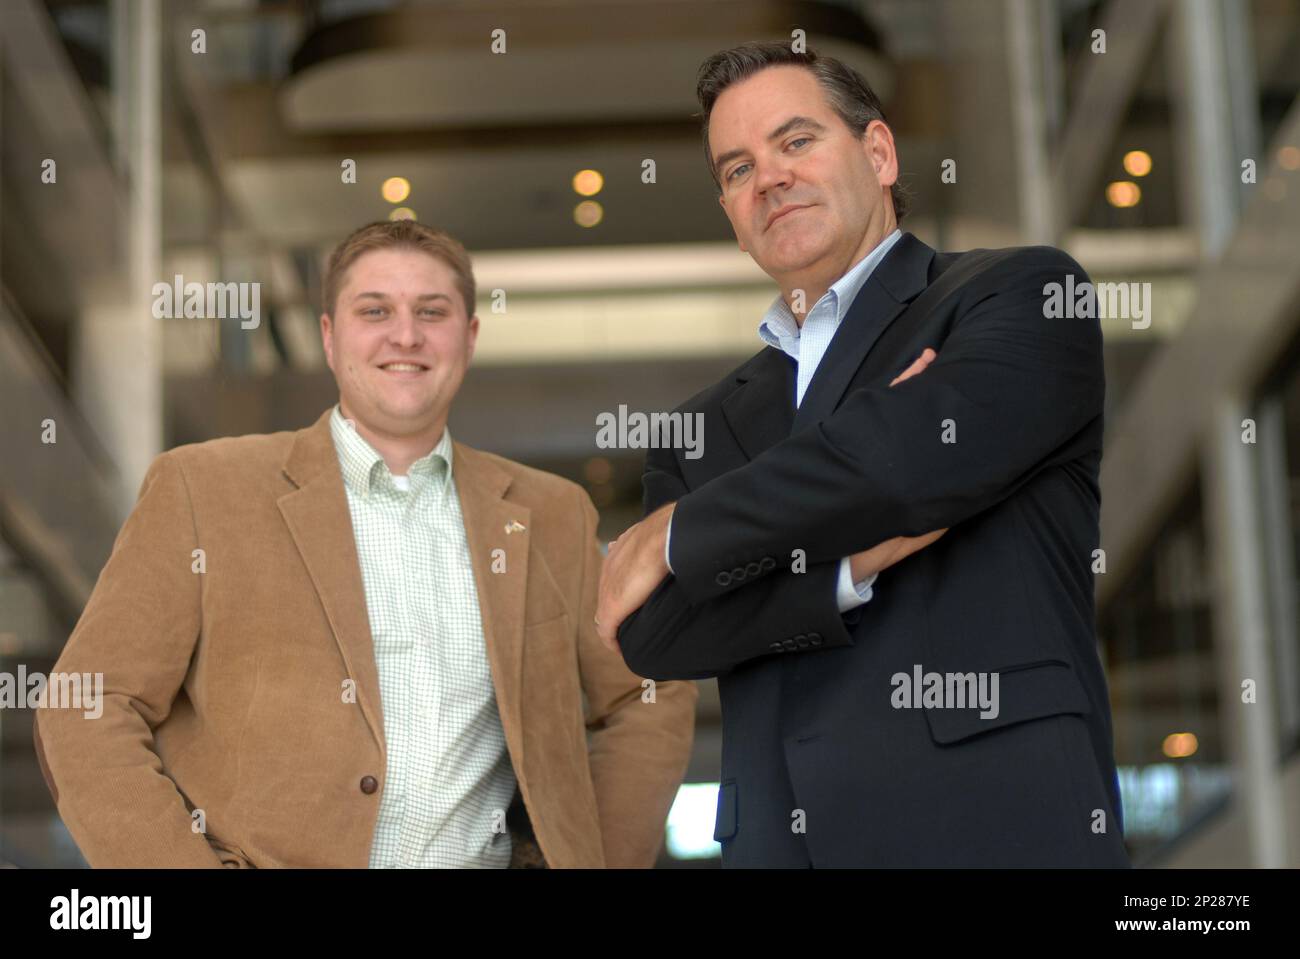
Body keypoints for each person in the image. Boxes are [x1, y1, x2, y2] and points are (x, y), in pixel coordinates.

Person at [597, 41, 1128, 868]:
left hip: (992, 825)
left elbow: (902, 461)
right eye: (736, 170)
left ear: (878, 153)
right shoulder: (699, 426)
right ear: (732, 218)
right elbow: (657, 631)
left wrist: (684, 532)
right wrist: (850, 564)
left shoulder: (1019, 294)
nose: (768, 177)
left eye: (796, 141)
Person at [35, 220, 696, 868]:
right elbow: (89, 703)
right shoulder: (203, 489)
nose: (404, 334)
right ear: (329, 336)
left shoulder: (550, 513)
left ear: (468, 338)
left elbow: (647, 691)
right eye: (374, 309)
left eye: (431, 311)